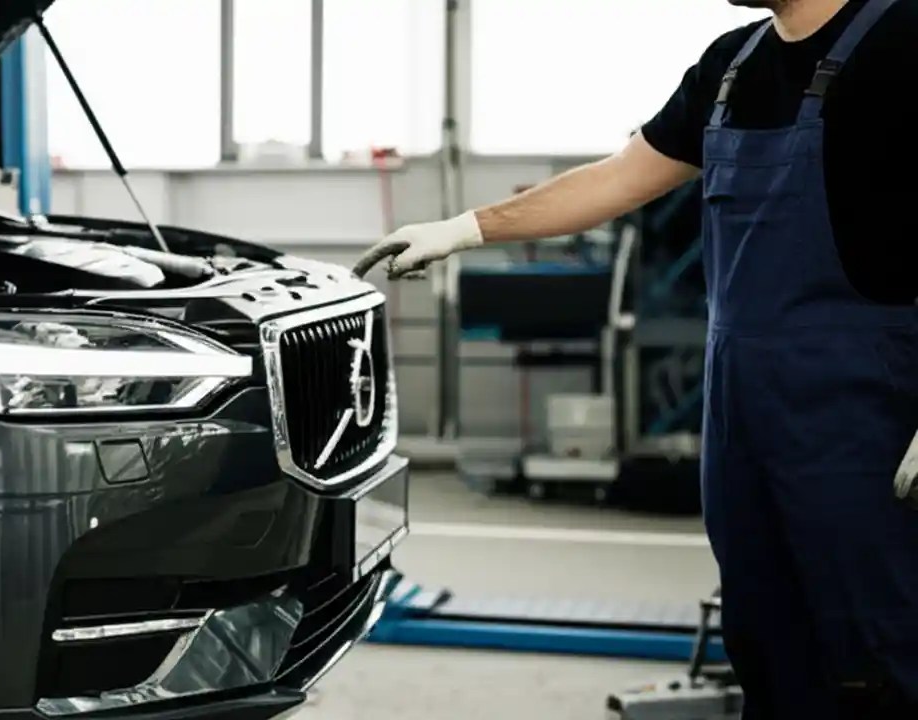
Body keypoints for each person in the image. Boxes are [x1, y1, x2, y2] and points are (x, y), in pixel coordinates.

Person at [357, 0, 918, 717]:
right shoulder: (730, 66)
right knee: (769, 640)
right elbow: (619, 178)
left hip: (863, 415)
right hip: (743, 416)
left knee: (883, 642)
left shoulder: (905, 39)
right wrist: (467, 228)